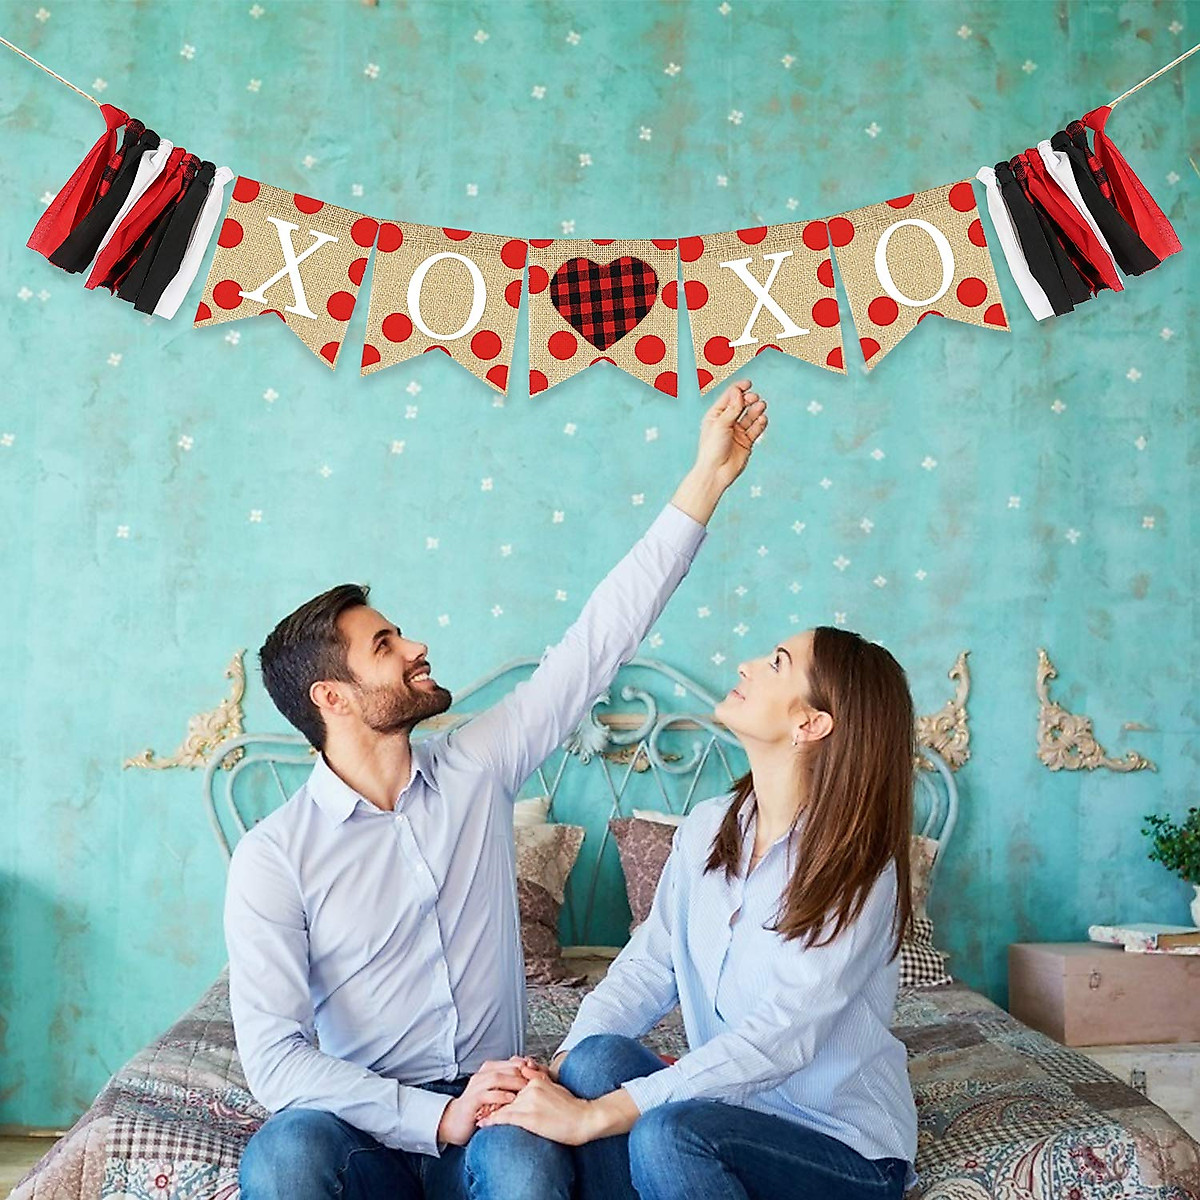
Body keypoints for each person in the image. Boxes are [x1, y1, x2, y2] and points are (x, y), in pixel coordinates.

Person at [225, 379, 768, 1200]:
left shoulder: (476, 767)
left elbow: (598, 641)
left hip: (494, 1111)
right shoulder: (274, 857)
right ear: (331, 698)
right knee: (282, 1155)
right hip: (361, 1119)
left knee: (521, 1164)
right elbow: (274, 1059)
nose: (416, 645)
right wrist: (432, 1116)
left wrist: (706, 480)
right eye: (385, 645)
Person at [478, 625, 921, 1200]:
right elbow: (649, 966)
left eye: (777, 662)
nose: (747, 666)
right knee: (594, 1059)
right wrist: (558, 1068)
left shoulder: (858, 866)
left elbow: (780, 1038)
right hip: (727, 1111)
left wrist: (597, 1115)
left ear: (811, 724)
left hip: (839, 1145)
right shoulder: (709, 826)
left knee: (669, 1135)